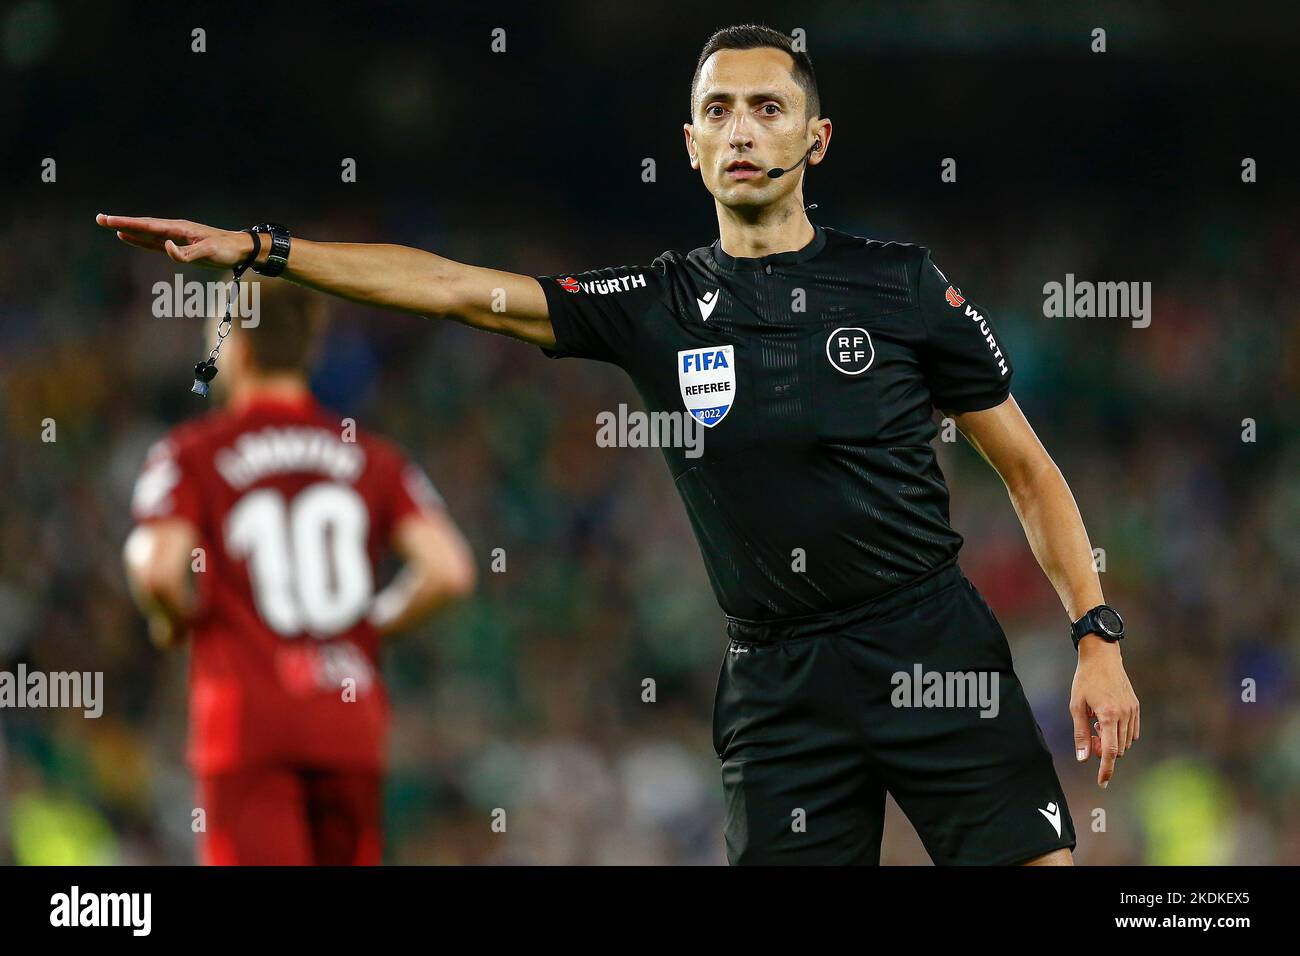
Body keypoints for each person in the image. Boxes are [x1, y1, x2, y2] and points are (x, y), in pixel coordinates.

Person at [100, 23, 1137, 865]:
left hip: (928, 644)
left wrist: (1094, 635)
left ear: (814, 140)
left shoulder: (904, 284)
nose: (741, 128)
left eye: (767, 107)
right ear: (687, 144)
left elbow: (1028, 471)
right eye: (717, 110)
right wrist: (269, 251)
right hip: (778, 684)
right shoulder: (654, 302)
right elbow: (459, 288)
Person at [122, 278, 476, 864]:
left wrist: (170, 620)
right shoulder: (372, 455)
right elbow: (449, 571)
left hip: (248, 724)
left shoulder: (191, 452)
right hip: (349, 721)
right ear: (308, 352)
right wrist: (371, 626)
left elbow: (157, 569)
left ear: (236, 349)